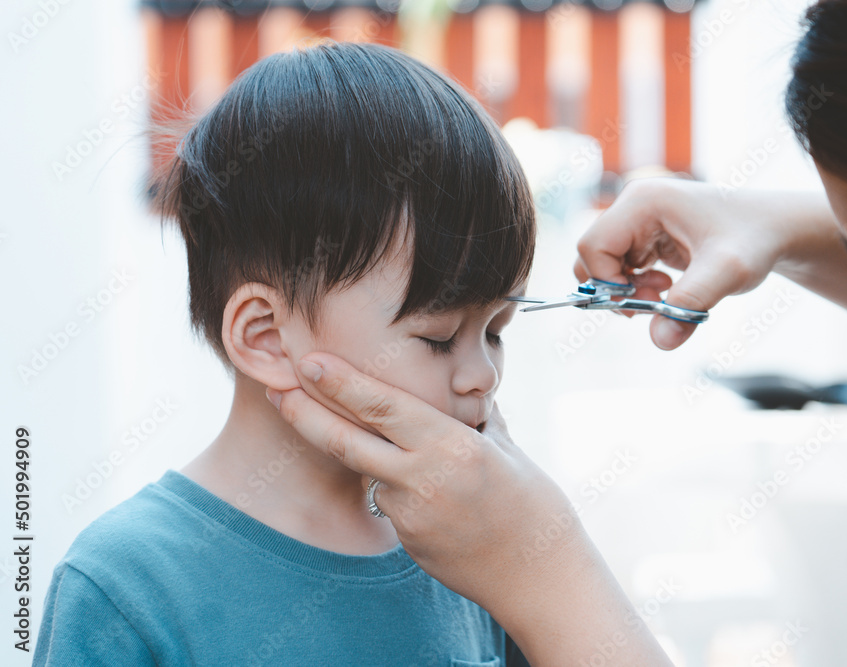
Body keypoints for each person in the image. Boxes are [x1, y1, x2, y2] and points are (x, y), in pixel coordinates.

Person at [261, 0, 847, 664]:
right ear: (261, 334)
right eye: (435, 337)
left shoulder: (481, 581)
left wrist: (546, 577)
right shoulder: (146, 591)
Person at [34, 41, 536, 665]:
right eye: (439, 337)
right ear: (266, 336)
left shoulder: (474, 546)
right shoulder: (127, 587)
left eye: (496, 330)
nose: (483, 375)